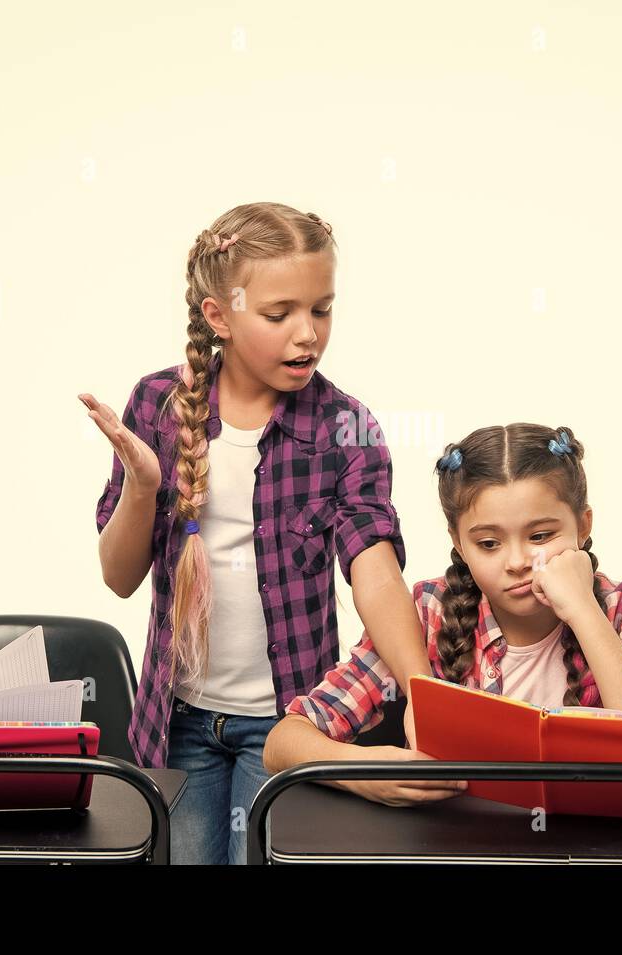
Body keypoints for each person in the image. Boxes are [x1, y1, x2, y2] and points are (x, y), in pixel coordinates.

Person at [80, 202, 431, 862]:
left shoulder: (345, 427)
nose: (308, 334)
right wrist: (145, 485)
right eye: (280, 314)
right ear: (219, 316)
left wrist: (421, 693)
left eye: (321, 309)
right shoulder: (157, 404)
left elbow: (375, 569)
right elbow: (118, 576)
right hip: (178, 722)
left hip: (284, 725)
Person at [263, 423, 622, 807]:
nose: (518, 561)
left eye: (541, 536)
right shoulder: (427, 613)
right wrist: (362, 772)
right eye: (489, 543)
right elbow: (283, 742)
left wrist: (582, 610)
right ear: (459, 543)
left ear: (583, 525)